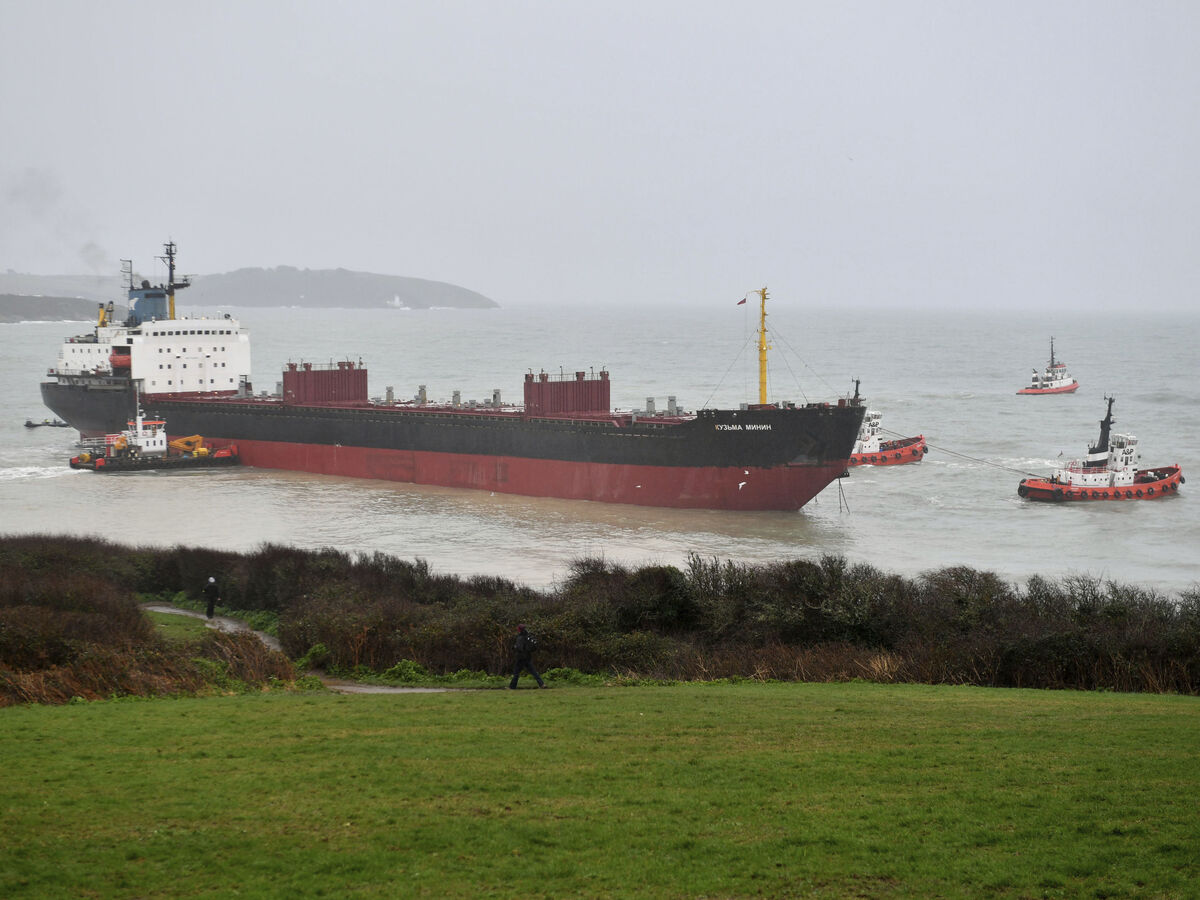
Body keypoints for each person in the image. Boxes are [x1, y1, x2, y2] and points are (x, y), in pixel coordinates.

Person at [509, 624, 545, 689]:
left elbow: (519, 648)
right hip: (528, 657)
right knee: (533, 671)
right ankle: (542, 684)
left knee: (516, 672)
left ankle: (512, 687)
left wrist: (515, 647)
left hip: (521, 658)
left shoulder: (520, 637)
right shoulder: (528, 636)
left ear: (519, 629)